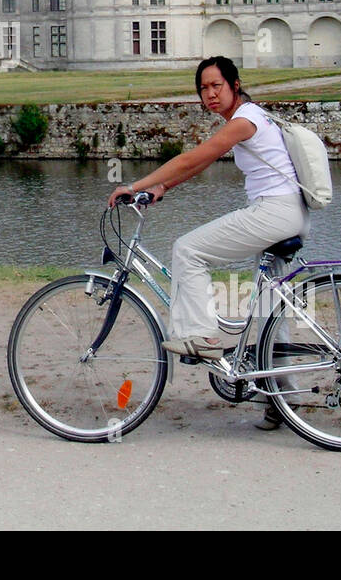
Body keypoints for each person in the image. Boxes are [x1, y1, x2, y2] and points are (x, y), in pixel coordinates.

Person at [107, 56, 309, 427]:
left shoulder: (244, 120)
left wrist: (134, 185)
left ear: (234, 84)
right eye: (203, 88)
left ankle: (201, 338)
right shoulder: (249, 117)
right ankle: (283, 398)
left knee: (188, 249)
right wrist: (162, 187)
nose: (210, 94)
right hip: (287, 213)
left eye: (217, 86)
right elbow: (200, 164)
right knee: (268, 309)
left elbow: (193, 157)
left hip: (273, 212)